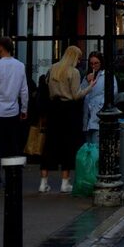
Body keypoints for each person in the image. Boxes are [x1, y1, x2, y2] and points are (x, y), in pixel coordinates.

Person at [39, 45, 96, 193]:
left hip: (53, 109)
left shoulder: (53, 69)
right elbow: (76, 95)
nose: (79, 61)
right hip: (68, 111)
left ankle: (43, 182)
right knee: (67, 146)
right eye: (79, 57)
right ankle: (65, 183)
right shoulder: (74, 72)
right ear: (74, 57)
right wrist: (90, 87)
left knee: (49, 144)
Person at [0, 37, 28, 190]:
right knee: (13, 145)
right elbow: (24, 90)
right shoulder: (19, 66)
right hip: (13, 110)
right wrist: (24, 109)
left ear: (1, 47)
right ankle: (13, 176)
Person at [81, 52, 117, 144]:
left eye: (96, 63)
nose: (94, 66)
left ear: (101, 63)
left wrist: (101, 106)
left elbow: (113, 93)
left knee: (96, 145)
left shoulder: (107, 76)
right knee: (88, 146)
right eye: (91, 63)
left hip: (98, 116)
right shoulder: (87, 76)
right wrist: (86, 81)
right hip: (88, 117)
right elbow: (81, 92)